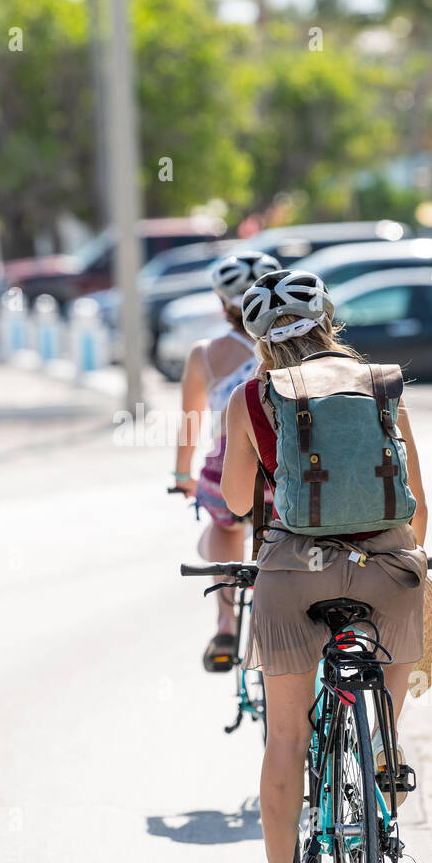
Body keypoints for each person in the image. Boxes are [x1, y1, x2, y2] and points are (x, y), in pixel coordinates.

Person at [219, 269, 429, 863]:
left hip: (294, 573)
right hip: (390, 569)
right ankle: (382, 768)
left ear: (257, 337)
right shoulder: (381, 384)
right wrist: (409, 561)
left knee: (285, 739)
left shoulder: (250, 398)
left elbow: (236, 504)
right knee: (386, 712)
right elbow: (416, 497)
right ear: (331, 319)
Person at [173, 251, 280, 671]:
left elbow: (190, 426)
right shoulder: (290, 346)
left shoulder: (205, 354)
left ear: (223, 304)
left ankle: (225, 620)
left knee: (221, 523)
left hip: (228, 473)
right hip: (288, 471)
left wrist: (182, 476)